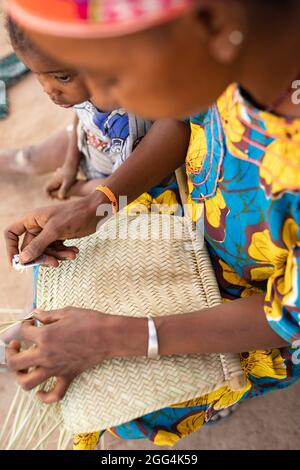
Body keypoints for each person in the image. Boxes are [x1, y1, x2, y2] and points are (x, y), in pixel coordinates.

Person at [4, 0, 300, 450]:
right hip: (191, 214)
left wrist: (112, 337)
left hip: (253, 312)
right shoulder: (240, 59)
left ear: (212, 24)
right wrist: (100, 202)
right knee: (65, 265)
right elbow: (182, 121)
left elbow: (286, 317)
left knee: (120, 409)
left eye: (110, 76)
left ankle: (218, 397)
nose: (100, 101)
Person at [1, 18, 179, 210]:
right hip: (88, 143)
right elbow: (83, 114)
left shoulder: (129, 126)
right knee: (29, 159)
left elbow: (117, 189)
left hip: (119, 181)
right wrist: (70, 164)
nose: (48, 89)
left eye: (62, 77)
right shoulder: (85, 87)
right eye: (37, 74)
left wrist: (77, 188)